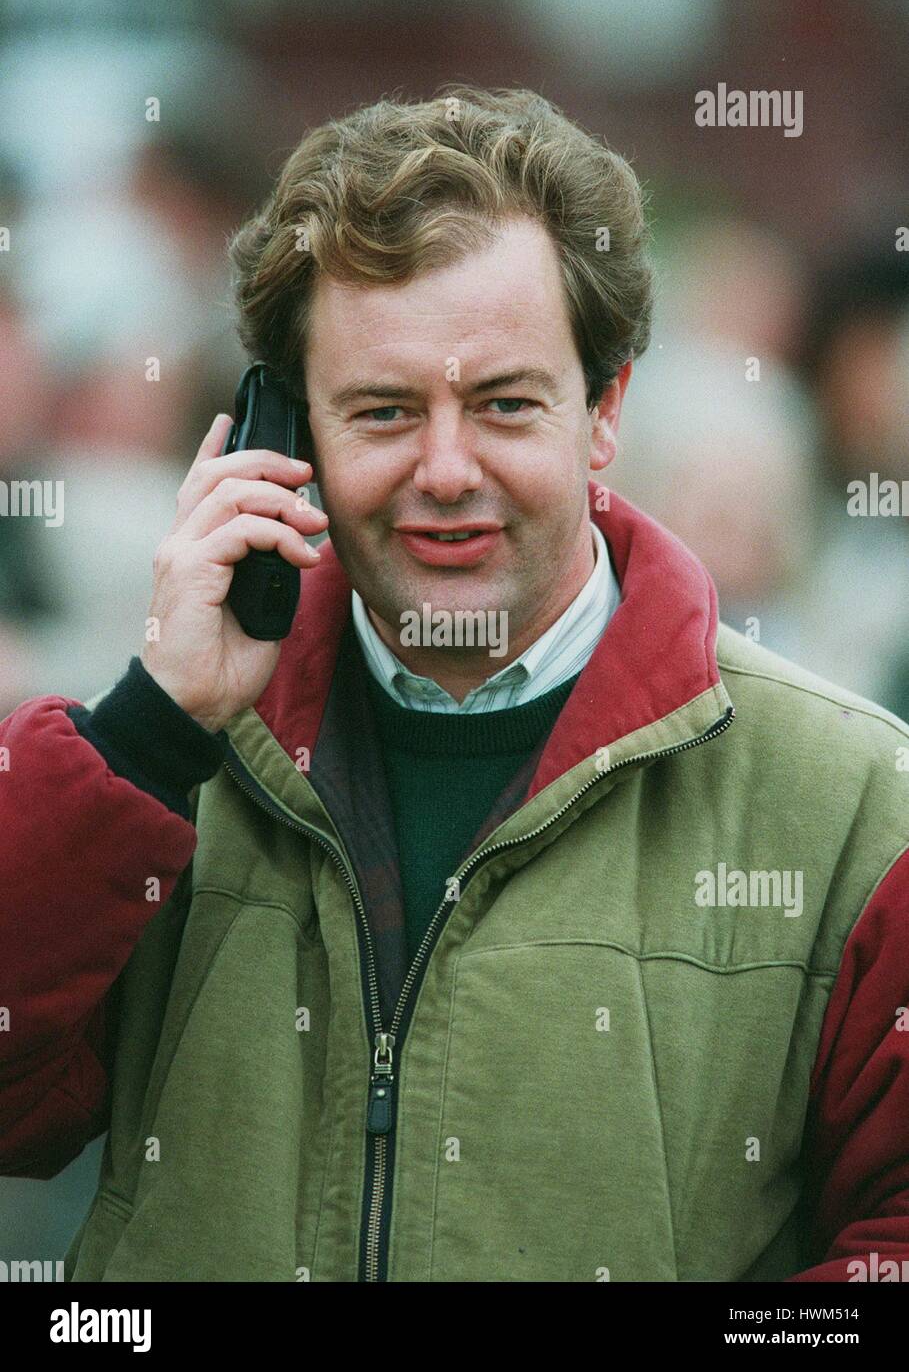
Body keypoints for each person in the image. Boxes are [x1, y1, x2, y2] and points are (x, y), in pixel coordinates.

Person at [2, 86, 908, 1283]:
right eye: (383, 410)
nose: (444, 468)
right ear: (291, 433)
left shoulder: (853, 800)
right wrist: (153, 733)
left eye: (502, 404)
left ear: (604, 413)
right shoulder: (161, 763)